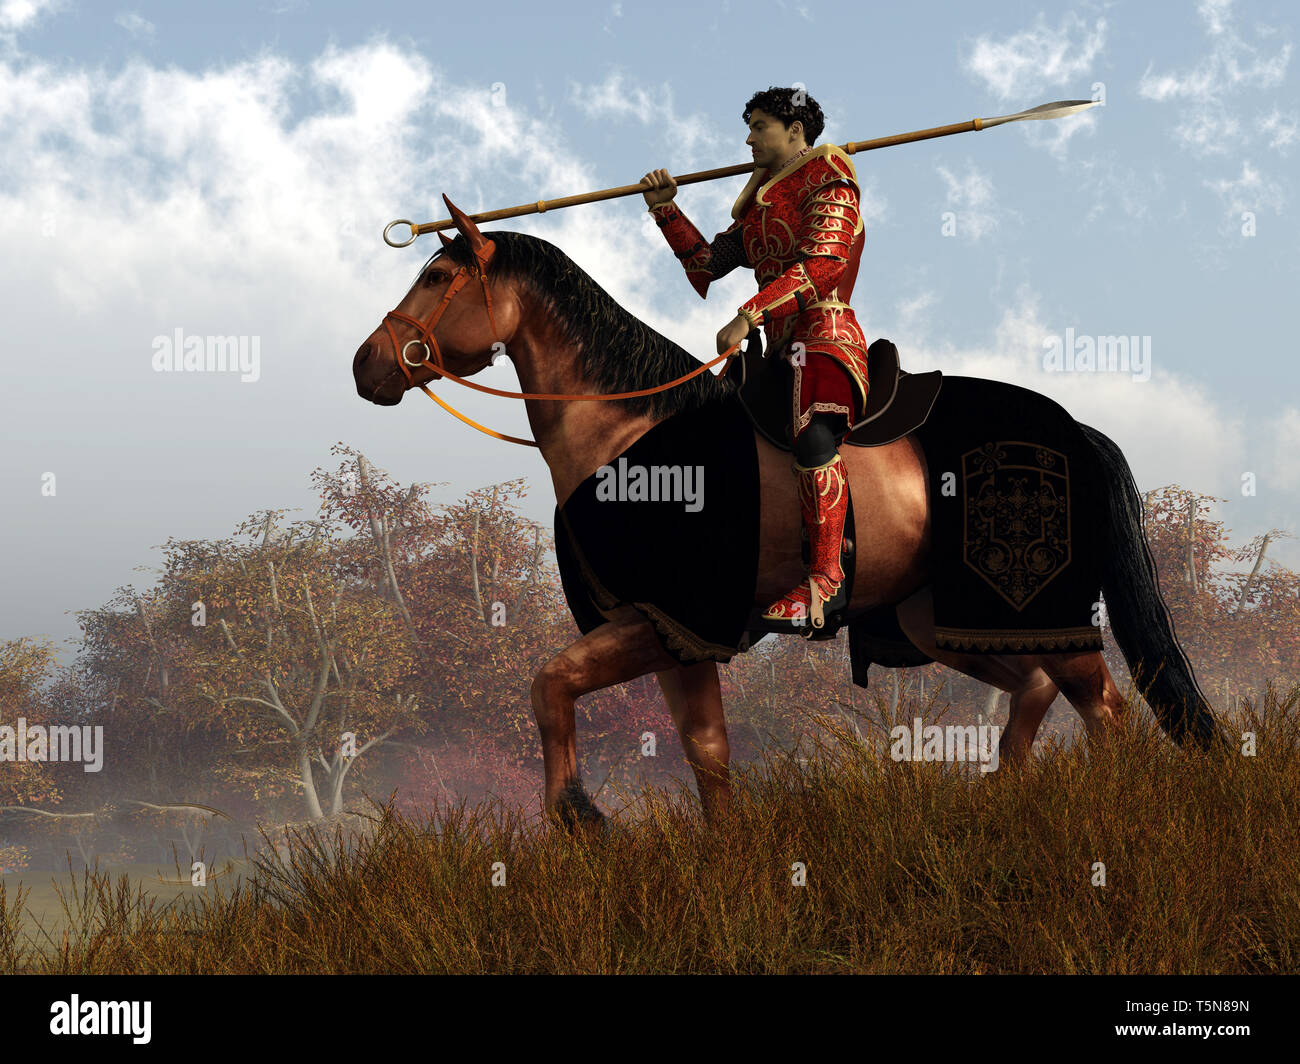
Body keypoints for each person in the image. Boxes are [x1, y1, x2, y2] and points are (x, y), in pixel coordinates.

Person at [642, 86, 869, 627]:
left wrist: (749, 314)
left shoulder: (829, 177)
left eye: (760, 125)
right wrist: (665, 209)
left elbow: (823, 265)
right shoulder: (762, 203)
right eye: (749, 126)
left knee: (813, 432)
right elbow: (706, 264)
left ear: (795, 129)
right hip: (772, 350)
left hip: (823, 335)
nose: (748, 138)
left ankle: (824, 582)